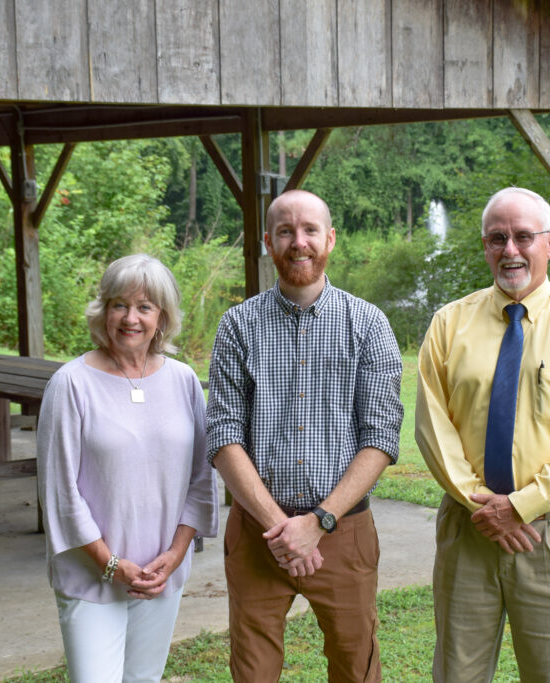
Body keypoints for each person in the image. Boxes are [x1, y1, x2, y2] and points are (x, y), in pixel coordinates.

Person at [415, 187, 550, 682]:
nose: (510, 249)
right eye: (497, 238)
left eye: (523, 237)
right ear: (485, 247)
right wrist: (483, 504)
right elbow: (432, 426)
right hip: (469, 529)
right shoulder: (448, 325)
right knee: (457, 675)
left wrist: (522, 505)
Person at [206, 189, 404, 682]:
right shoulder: (237, 325)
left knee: (355, 667)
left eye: (310, 230)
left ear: (330, 239)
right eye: (286, 232)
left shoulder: (369, 324)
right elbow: (223, 435)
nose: (299, 242)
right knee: (252, 673)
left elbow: (381, 437)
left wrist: (318, 522)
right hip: (259, 534)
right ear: (267, 242)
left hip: (343, 532)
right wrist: (282, 528)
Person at [37, 253, 218, 683]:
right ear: (104, 311)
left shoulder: (184, 381)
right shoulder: (71, 384)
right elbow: (60, 492)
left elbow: (201, 478)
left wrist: (175, 555)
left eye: (144, 307)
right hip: (93, 577)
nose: (130, 318)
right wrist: (111, 564)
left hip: (160, 574)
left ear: (162, 317)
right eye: (119, 305)